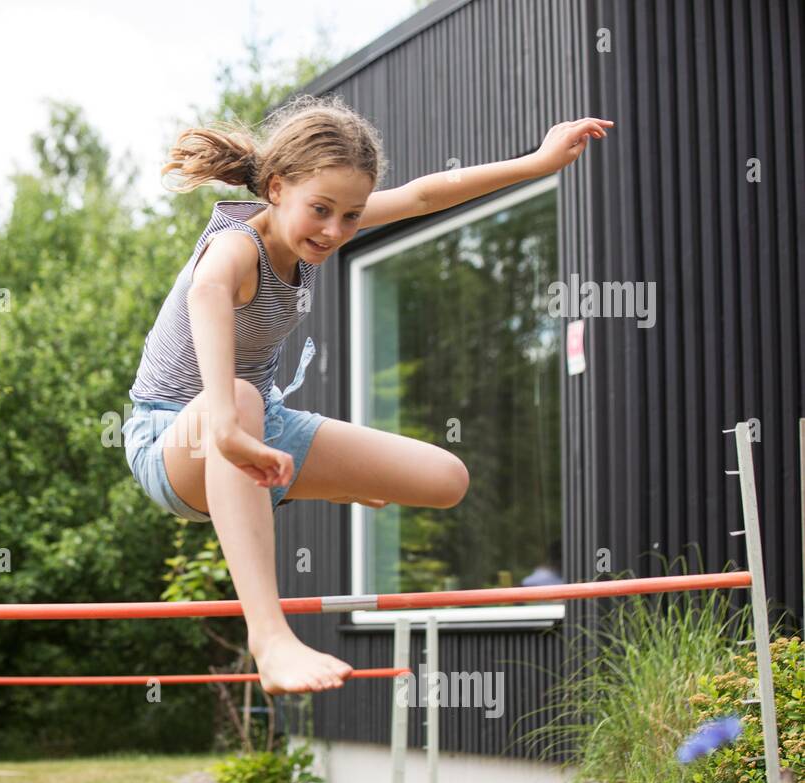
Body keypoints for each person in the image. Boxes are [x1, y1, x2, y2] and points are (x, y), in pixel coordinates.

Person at [123, 93, 611, 695]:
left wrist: (534, 165)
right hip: (171, 435)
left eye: (351, 216)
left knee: (444, 478)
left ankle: (291, 475)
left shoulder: (321, 221)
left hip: (256, 426)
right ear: (275, 189)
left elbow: (423, 197)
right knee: (244, 401)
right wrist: (225, 425)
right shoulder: (235, 246)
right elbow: (207, 293)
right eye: (321, 210)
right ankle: (270, 640)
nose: (335, 231)